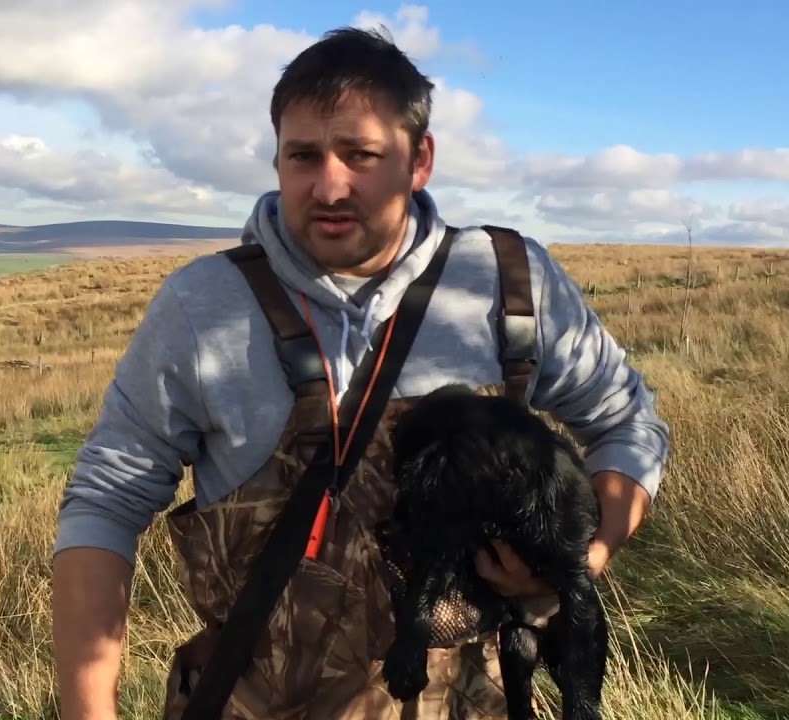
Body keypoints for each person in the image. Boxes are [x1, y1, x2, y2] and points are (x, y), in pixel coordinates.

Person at [51, 25, 670, 720]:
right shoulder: (201, 306)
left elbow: (626, 421)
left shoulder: (510, 286)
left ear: (420, 158)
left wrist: (580, 560)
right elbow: (105, 504)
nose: (329, 184)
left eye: (360, 154)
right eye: (303, 155)